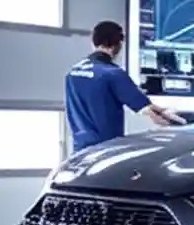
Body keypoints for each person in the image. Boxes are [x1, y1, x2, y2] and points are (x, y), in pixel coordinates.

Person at [65, 20, 186, 153]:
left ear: (93, 42)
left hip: (79, 153)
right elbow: (148, 110)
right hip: (105, 151)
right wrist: (178, 121)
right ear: (117, 45)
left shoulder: (72, 72)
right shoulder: (112, 73)